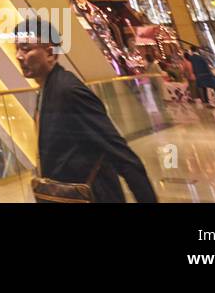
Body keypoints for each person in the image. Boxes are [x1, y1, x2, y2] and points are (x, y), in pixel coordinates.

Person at [15, 17, 157, 203]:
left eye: (26, 48)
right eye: (16, 48)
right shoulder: (47, 89)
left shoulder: (69, 91)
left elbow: (121, 155)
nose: (18, 55)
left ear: (50, 53)